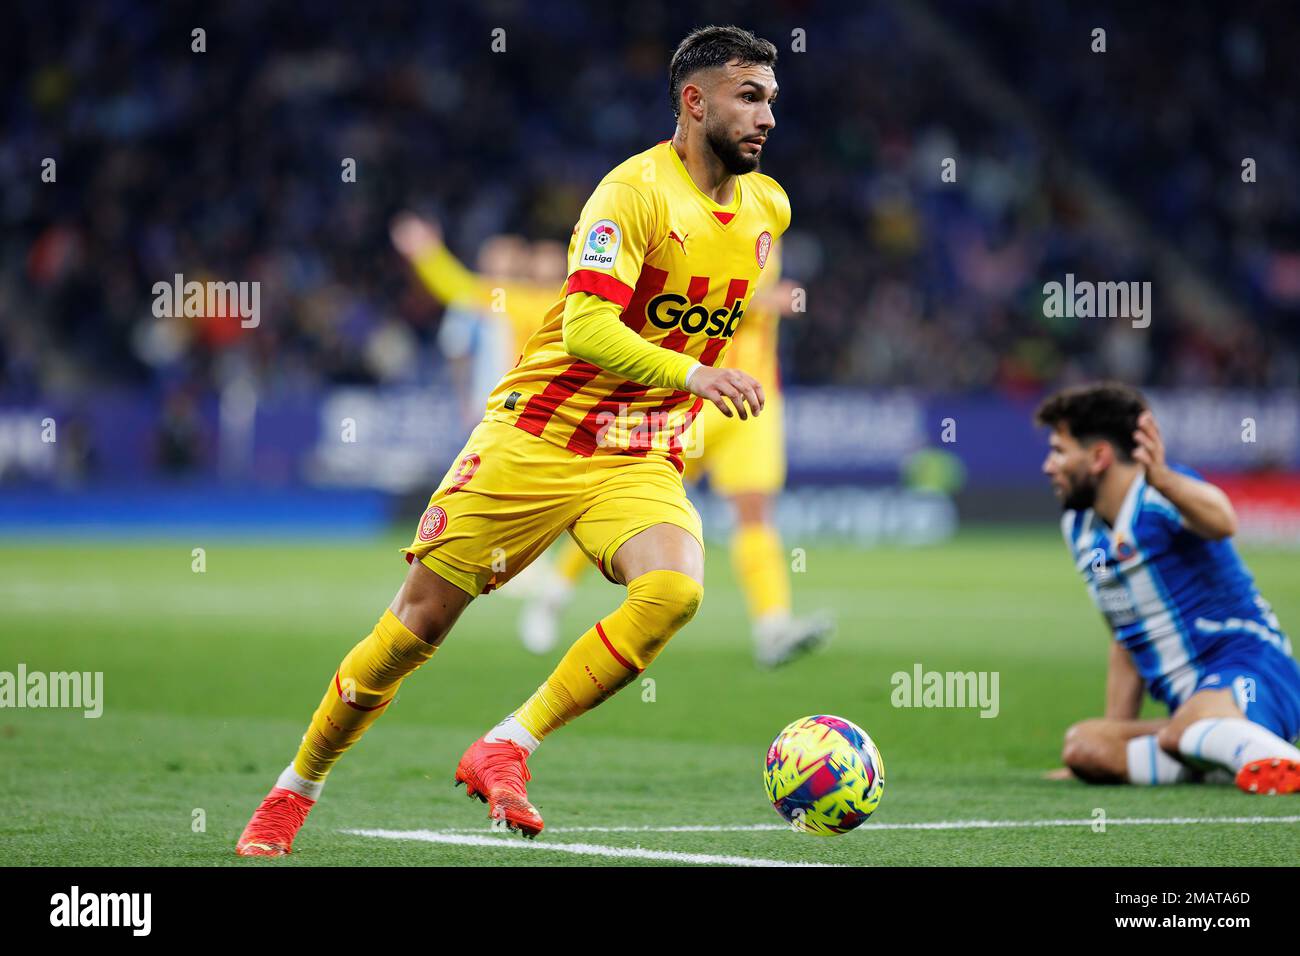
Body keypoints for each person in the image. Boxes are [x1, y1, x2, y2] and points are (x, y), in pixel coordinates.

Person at [235, 24, 788, 853]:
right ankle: (293, 790)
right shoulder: (630, 195)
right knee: (413, 629)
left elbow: (711, 306)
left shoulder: (768, 210)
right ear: (693, 100)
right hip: (537, 438)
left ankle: (506, 746)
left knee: (674, 591)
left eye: (773, 99)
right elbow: (594, 326)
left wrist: (699, 374)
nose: (768, 116)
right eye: (750, 96)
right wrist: (692, 374)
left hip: (638, 449)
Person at [519, 241, 833, 667]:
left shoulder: (768, 217)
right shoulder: (690, 215)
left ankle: (772, 627)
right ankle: (552, 597)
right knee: (626, 498)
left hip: (755, 395)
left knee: (755, 511)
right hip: (692, 389)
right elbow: (693, 290)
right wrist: (766, 300)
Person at [1037, 382, 1300, 794]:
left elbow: (1223, 520)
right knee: (1086, 747)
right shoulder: (1080, 529)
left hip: (1252, 670)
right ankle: (1232, 754)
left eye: (1059, 451)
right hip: (1191, 712)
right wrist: (1115, 729)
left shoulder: (1161, 496)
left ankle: (1266, 755)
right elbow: (1125, 638)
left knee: (1183, 731)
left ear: (1099, 456)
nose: (1048, 466)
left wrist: (1164, 479)